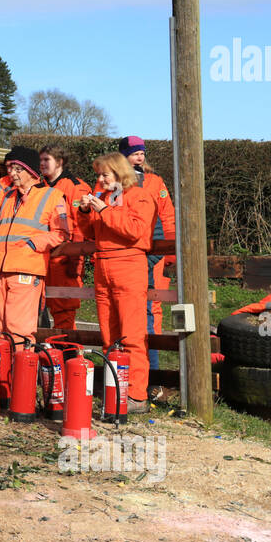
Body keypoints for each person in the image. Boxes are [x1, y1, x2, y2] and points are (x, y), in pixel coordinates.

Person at [75, 151, 157, 414]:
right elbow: (90, 232)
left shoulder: (140, 195)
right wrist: (85, 212)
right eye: (98, 174)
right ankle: (114, 390)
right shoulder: (105, 198)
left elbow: (135, 230)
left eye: (104, 174)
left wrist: (105, 210)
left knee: (132, 335)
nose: (99, 179)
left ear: (120, 173)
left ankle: (136, 395)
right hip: (103, 266)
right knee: (109, 337)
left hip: (129, 265)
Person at [0, 146, 71, 340]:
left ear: (31, 171)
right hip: (0, 270)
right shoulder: (7, 197)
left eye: (17, 169)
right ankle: (3, 369)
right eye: (11, 169)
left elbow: (62, 233)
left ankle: (21, 370)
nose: (11, 173)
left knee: (19, 331)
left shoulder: (53, 196)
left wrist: (33, 244)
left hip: (26, 271)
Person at [119, 136, 176, 381]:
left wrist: (169, 252)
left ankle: (152, 374)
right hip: (126, 258)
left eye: (142, 153)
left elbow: (168, 217)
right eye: (134, 153)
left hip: (153, 257)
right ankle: (127, 372)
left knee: (151, 311)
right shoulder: (115, 181)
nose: (140, 157)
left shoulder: (155, 182)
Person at [40, 145, 93, 330]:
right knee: (37, 308)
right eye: (41, 160)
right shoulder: (40, 186)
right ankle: (46, 353)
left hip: (64, 259)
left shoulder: (76, 187)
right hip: (41, 256)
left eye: (47, 160)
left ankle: (68, 353)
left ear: (59, 162)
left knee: (64, 310)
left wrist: (75, 261)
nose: (42, 164)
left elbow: (82, 226)